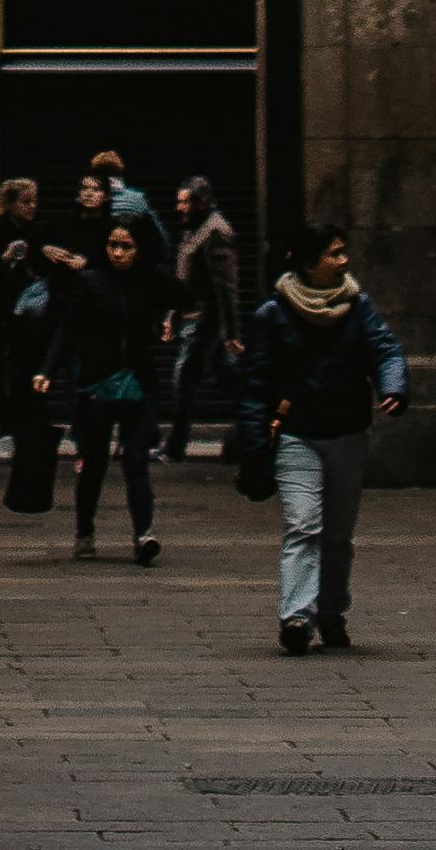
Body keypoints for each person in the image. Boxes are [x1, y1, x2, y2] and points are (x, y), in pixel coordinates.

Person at [237, 225, 407, 655]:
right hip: (297, 436)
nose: (344, 260)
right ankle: (296, 616)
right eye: (334, 254)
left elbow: (385, 348)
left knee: (337, 535)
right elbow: (255, 385)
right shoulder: (272, 315)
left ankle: (331, 612)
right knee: (302, 524)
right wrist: (255, 446)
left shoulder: (357, 306)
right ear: (311, 263)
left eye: (343, 252)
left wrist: (394, 387)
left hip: (347, 434)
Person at [71, 204, 173, 562]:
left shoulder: (149, 281)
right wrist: (46, 371)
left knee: (136, 461)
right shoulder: (91, 282)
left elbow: (183, 293)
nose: (117, 252)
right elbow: (68, 330)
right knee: (95, 462)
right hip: (98, 385)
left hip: (139, 385)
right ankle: (85, 530)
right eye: (113, 244)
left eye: (126, 246)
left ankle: (144, 534)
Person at [0, 175, 67, 513]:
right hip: (7, 324)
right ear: (10, 203)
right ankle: (12, 428)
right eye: (26, 202)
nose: (32, 208)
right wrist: (6, 260)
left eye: (34, 201)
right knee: (12, 377)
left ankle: (30, 429)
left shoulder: (38, 236)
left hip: (37, 325)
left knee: (34, 378)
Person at [165, 169, 246, 435]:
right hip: (194, 318)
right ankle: (257, 422)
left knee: (183, 380)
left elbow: (226, 286)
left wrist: (231, 332)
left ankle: (175, 446)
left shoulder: (215, 232)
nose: (178, 207)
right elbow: (184, 278)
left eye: (184, 201)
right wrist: (172, 314)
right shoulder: (194, 228)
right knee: (230, 378)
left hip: (204, 321)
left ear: (201, 202)